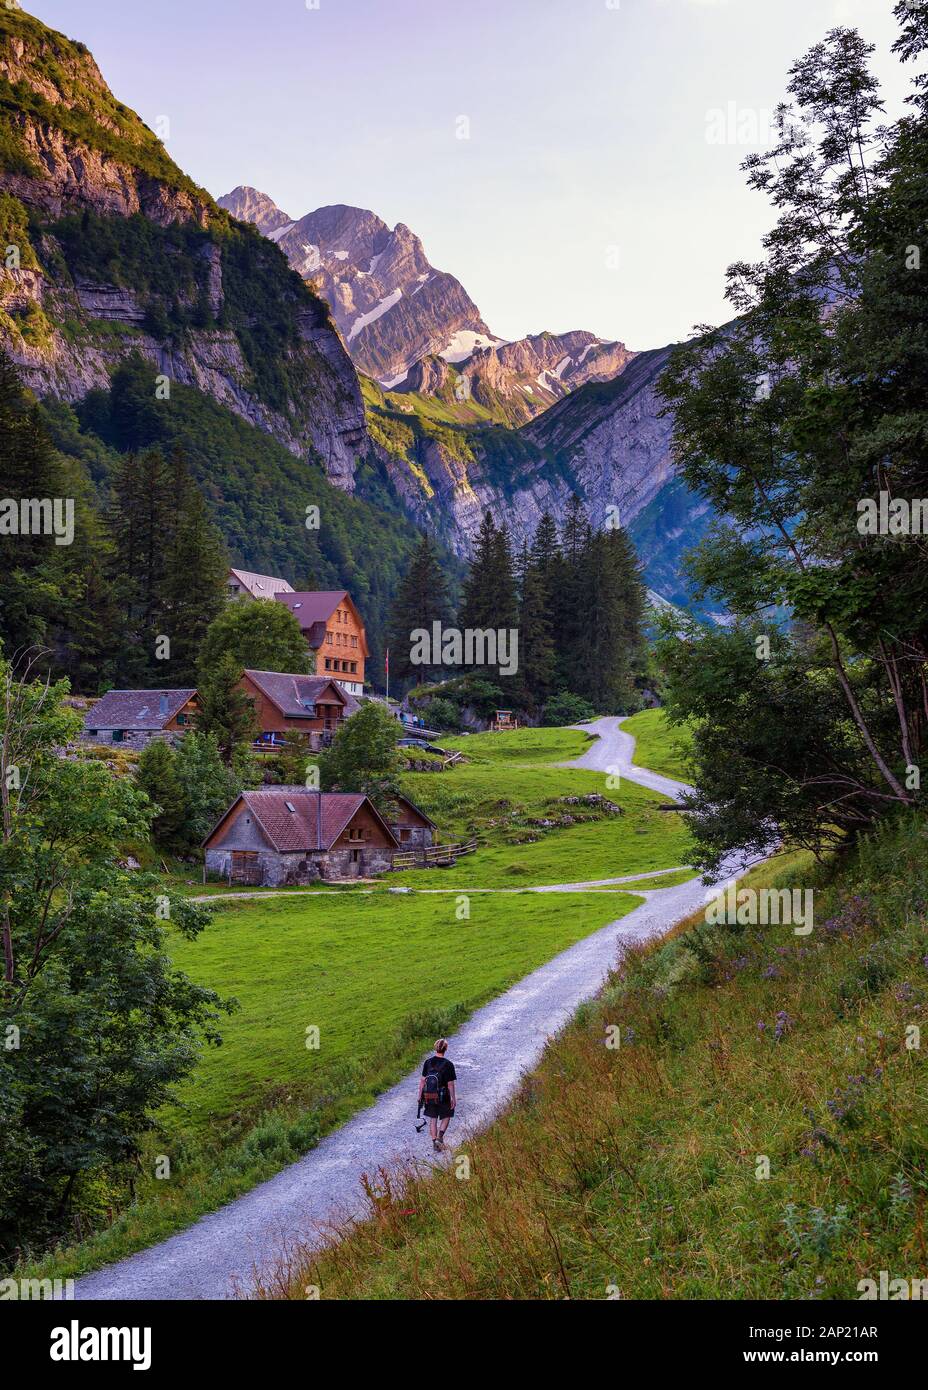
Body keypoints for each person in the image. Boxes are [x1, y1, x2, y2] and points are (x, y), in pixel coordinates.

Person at [418, 1037, 457, 1152]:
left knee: (433, 1119)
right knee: (447, 1115)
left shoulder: (428, 1062)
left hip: (429, 1095)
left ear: (435, 1048)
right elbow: (450, 1084)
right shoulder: (448, 1064)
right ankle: (440, 1138)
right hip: (443, 1095)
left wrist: (420, 1096)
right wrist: (453, 1098)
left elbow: (422, 1081)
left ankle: (434, 1142)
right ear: (446, 1049)